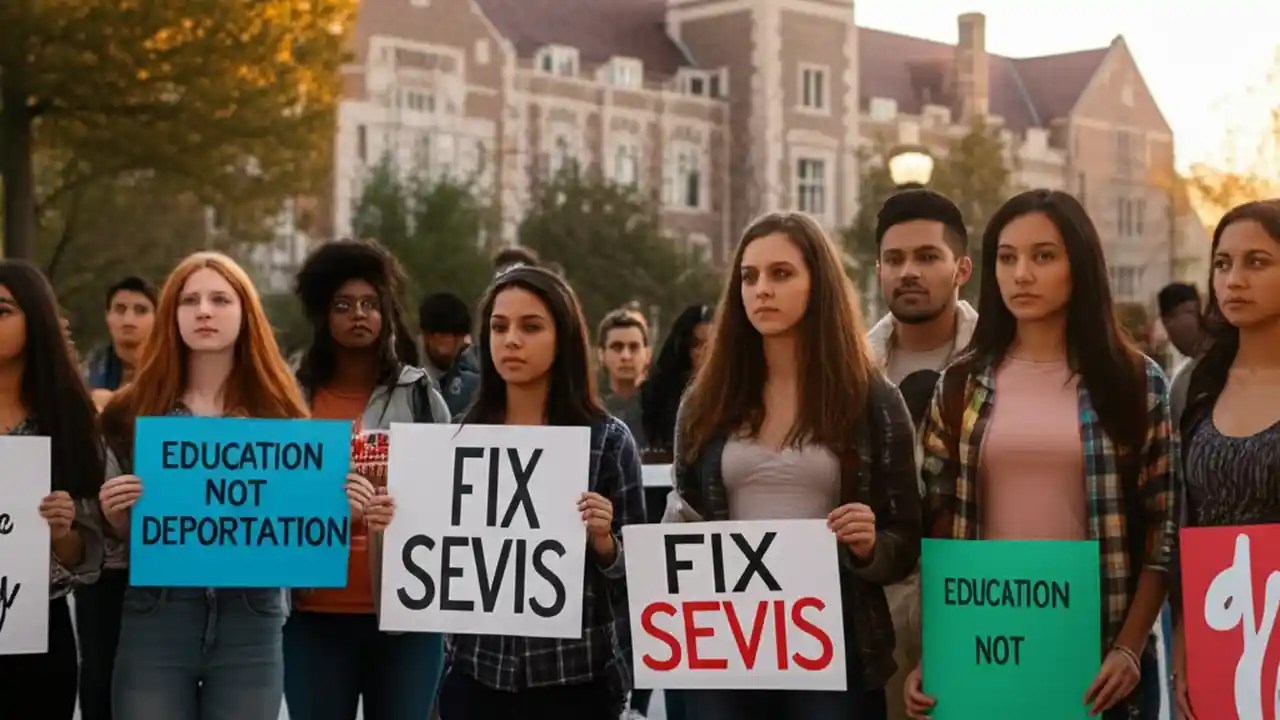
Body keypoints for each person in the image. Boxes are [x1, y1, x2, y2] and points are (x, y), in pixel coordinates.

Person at [905, 190, 1178, 719]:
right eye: (1007, 258)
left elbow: (1162, 530)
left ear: (1080, 266)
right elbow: (935, 528)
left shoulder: (1135, 382)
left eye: (1043, 256)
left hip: (1096, 661)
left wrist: (1130, 647)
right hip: (986, 652)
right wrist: (936, 654)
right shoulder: (961, 383)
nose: (1022, 274)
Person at [97, 252, 367, 719]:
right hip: (157, 614)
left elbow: (301, 529)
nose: (204, 310)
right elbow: (115, 540)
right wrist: (118, 517)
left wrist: (344, 510)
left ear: (246, 314)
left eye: (220, 299)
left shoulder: (282, 415)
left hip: (252, 618)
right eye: (190, 300)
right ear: (172, 315)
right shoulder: (127, 414)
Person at [673, 211, 920, 719]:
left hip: (833, 645)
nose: (761, 288)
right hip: (723, 644)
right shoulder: (706, 402)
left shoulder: (872, 400)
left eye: (781, 274)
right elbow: (686, 517)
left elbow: (906, 540)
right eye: (749, 276)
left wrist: (870, 546)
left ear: (818, 285)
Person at [434, 265, 646, 719]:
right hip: (475, 676)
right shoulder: (454, 439)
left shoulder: (608, 441)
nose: (511, 340)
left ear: (563, 337)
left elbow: (639, 575)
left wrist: (605, 542)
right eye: (499, 326)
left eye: (530, 327)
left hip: (575, 681)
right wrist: (396, 521)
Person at [287, 240, 451, 719]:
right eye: (343, 305)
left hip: (408, 618)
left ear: (386, 311)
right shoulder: (290, 394)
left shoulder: (422, 396)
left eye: (369, 304)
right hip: (311, 616)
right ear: (322, 314)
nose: (358, 315)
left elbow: (447, 499)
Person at [866, 189, 976, 720]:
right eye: (895, 259)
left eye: (927, 257)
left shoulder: (1002, 362)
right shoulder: (850, 371)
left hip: (981, 614)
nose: (908, 271)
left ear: (962, 268)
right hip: (873, 626)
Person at [1172, 199, 1280, 720]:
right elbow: (1182, 520)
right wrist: (1185, 633)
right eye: (1222, 263)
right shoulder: (1193, 385)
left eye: (1257, 262)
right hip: (1222, 629)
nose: (1234, 279)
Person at [0, 261, 106, 720]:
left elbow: (87, 551)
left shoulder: (67, 418)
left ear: (36, 321)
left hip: (36, 632)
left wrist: (60, 532)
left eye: (2, 310)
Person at [639, 304, 713, 453]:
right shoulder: (655, 396)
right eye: (696, 344)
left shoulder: (736, 396)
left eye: (711, 344)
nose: (705, 352)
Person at [83, 276, 158, 410]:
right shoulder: (87, 371)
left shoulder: (172, 370)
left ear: (157, 318)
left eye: (141, 310)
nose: (128, 320)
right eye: (120, 309)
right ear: (107, 316)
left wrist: (114, 403)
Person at [418, 291, 479, 417]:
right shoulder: (406, 387)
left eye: (457, 336)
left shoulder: (476, 387)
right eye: (443, 336)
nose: (450, 344)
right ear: (427, 335)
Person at [597, 307, 650, 448]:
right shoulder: (590, 410)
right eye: (617, 347)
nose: (626, 356)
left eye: (634, 347)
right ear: (601, 354)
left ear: (647, 354)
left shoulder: (664, 410)